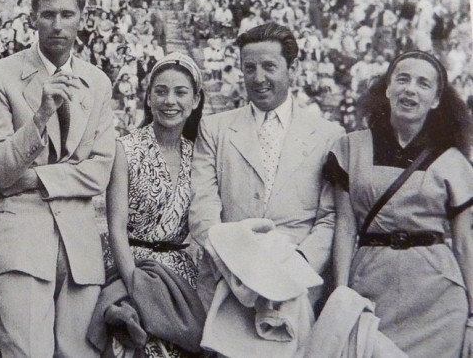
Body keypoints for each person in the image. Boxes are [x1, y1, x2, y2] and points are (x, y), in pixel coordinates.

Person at [0, 0, 115, 357]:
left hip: (79, 245)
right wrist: (38, 117)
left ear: (83, 19)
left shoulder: (98, 82)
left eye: (67, 14)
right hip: (17, 239)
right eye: (48, 14)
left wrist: (33, 178)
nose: (58, 25)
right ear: (32, 17)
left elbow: (99, 172)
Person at [327, 51, 473, 356]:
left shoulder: (453, 161)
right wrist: (341, 295)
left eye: (423, 83)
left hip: (438, 298)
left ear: (435, 100)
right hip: (370, 285)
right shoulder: (350, 147)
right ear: (388, 88)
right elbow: (344, 226)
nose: (410, 89)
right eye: (403, 79)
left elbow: (464, 242)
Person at [189, 22, 344, 306]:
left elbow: (330, 217)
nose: (258, 78)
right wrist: (233, 261)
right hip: (228, 283)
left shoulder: (328, 136)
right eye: (249, 68)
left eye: (269, 67)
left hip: (297, 287)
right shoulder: (215, 129)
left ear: (292, 69)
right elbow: (202, 207)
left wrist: (296, 265)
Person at [106, 52, 205, 357]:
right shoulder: (126, 148)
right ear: (148, 98)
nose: (169, 101)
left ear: (196, 100)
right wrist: (136, 286)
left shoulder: (200, 155)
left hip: (179, 280)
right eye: (160, 91)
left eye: (180, 92)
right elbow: (116, 227)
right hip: (130, 268)